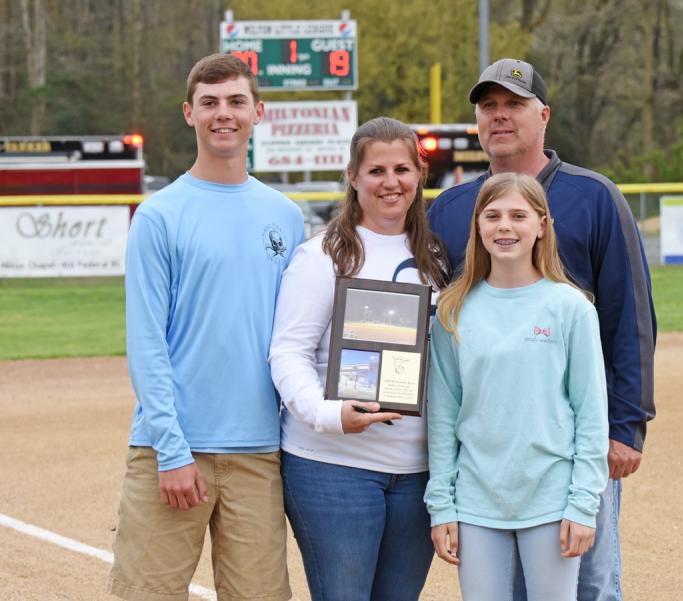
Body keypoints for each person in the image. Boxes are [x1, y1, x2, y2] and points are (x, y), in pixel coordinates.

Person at [427, 58, 656, 601]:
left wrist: (626, 426)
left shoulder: (593, 195)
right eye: (489, 106)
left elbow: (629, 315)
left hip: (570, 446)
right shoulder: (452, 209)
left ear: (544, 115)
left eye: (514, 104)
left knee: (591, 584)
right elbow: (440, 335)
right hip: (485, 462)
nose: (500, 116)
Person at [108, 53, 304, 601]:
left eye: (237, 102)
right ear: (188, 112)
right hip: (173, 449)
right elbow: (147, 342)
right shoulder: (160, 215)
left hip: (259, 451)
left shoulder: (285, 216)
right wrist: (172, 450)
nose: (224, 114)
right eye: (210, 102)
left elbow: (297, 336)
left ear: (257, 112)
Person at [269, 116, 448, 601]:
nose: (391, 182)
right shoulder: (322, 256)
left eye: (402, 169)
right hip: (332, 466)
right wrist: (329, 414)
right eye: (376, 171)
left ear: (419, 174)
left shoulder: (436, 257)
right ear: (353, 176)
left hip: (416, 471)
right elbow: (288, 353)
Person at [425, 172, 609, 601]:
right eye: (492, 216)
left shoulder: (570, 308)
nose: (504, 226)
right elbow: (443, 416)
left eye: (518, 215)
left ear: (542, 226)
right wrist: (442, 505)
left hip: (550, 496)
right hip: (477, 499)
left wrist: (583, 503)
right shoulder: (453, 312)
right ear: (477, 226)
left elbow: (590, 414)